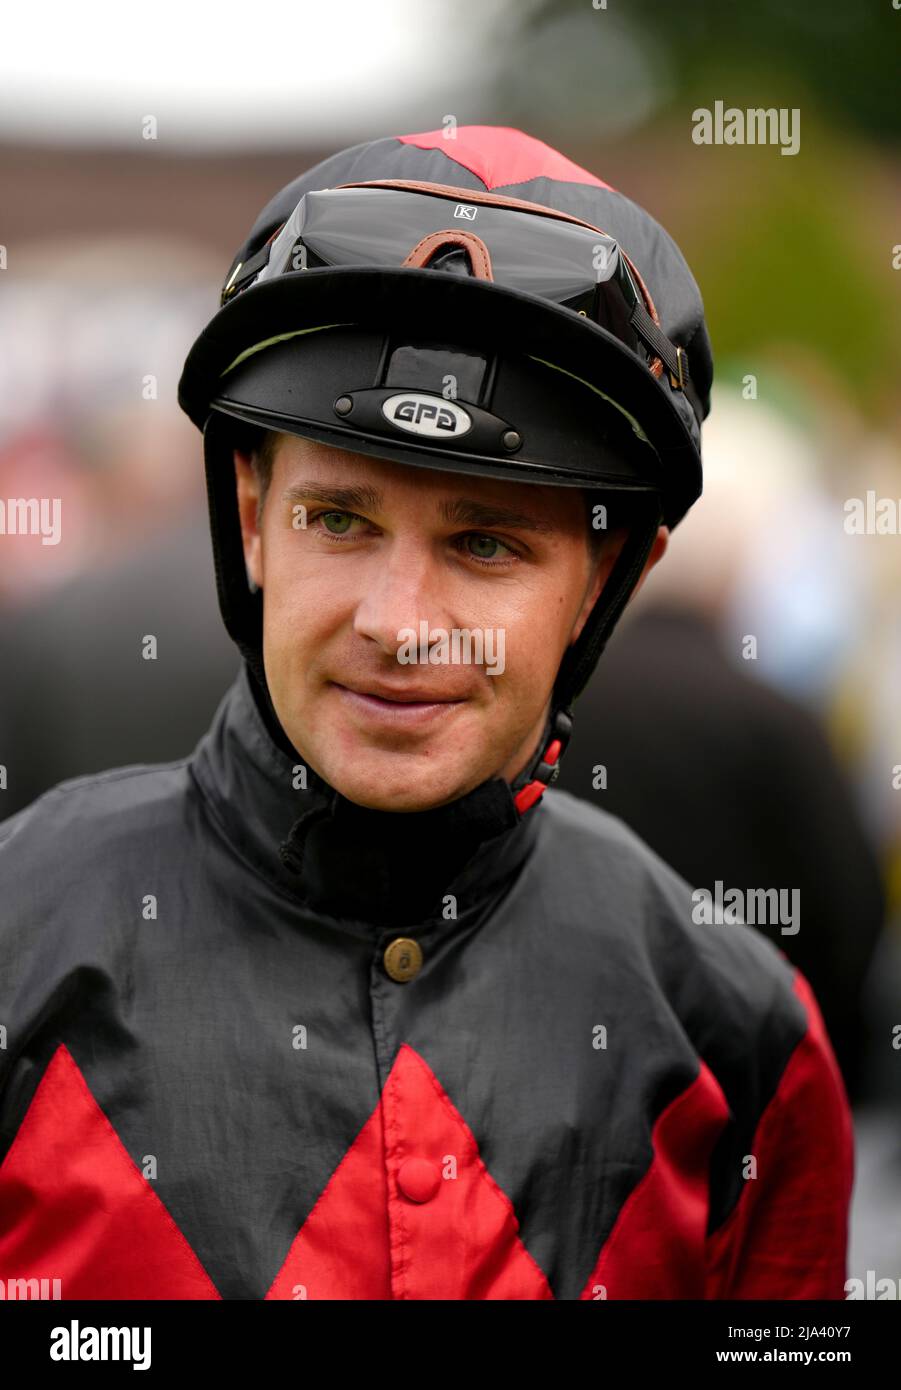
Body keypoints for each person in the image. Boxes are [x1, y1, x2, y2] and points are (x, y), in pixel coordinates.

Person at [0, 126, 852, 1300]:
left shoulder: (738, 1030)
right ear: (251, 515)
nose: (401, 623)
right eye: (339, 520)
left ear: (610, 582)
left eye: (485, 542)